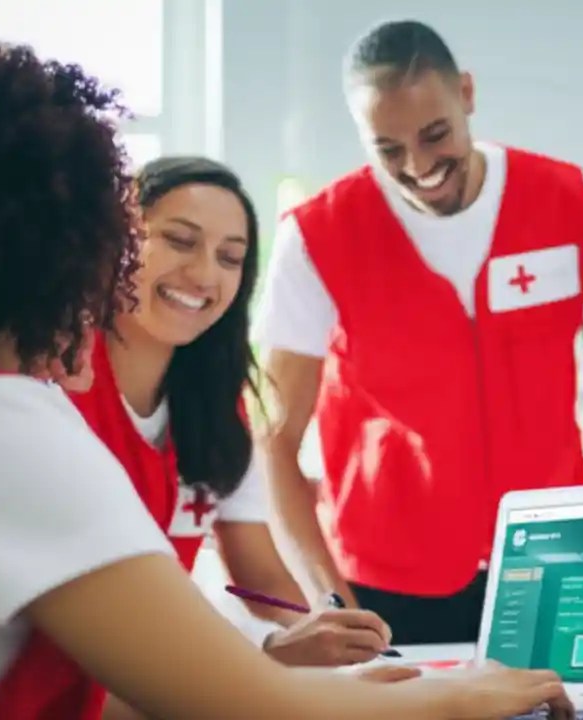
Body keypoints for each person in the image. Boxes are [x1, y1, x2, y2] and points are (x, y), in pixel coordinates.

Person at [0, 32, 573, 719]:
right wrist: (461, 699)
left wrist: (293, 674)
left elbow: (109, 698)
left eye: (230, 257)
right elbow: (253, 706)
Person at [255, 18, 583, 643]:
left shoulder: (572, 203)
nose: (417, 166)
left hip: (555, 566)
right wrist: (327, 596)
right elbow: (276, 442)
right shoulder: (315, 238)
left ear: (467, 94)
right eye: (387, 148)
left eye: (435, 134)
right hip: (388, 588)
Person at [67, 155, 393, 672]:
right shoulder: (55, 380)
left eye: (230, 257)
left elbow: (261, 579)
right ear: (117, 241)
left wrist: (338, 642)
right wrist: (266, 655)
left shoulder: (217, 405)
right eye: (179, 241)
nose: (203, 274)